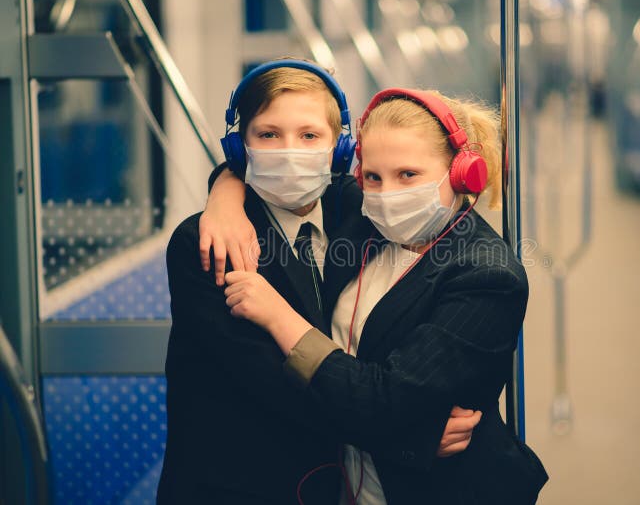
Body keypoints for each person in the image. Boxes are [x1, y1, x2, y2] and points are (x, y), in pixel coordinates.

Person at [158, 61, 480, 504]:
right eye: (267, 135)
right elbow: (280, 388)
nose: (289, 152)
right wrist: (410, 430)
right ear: (240, 147)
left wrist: (224, 187)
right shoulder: (207, 243)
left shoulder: (357, 207)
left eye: (309, 135)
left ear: (341, 149)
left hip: (336, 484)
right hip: (240, 487)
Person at [221, 88, 548, 504]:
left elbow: (386, 402)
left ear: (463, 174)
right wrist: (224, 198)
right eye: (373, 177)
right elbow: (278, 171)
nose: (388, 194)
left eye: (408, 175)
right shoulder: (365, 221)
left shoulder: (487, 275)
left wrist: (279, 317)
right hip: (350, 488)